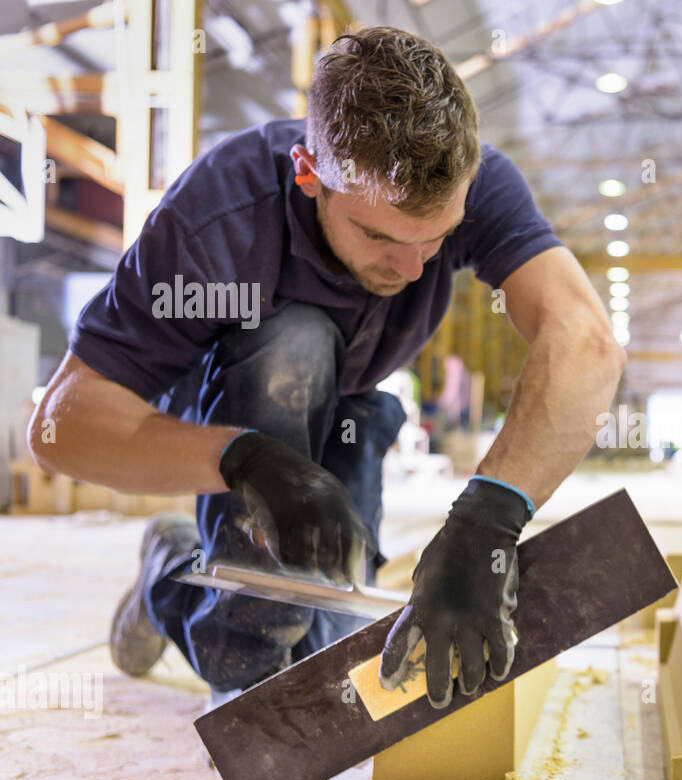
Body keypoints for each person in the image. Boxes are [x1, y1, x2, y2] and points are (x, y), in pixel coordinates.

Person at [27, 26, 623, 712]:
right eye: (379, 235)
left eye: (436, 237)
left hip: (350, 408)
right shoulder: (217, 216)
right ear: (309, 173)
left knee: (337, 670)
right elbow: (60, 426)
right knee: (255, 660)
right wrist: (243, 459)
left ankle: (176, 569)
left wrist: (489, 517)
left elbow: (587, 342)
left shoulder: (484, 185)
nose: (412, 267)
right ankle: (205, 608)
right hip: (239, 416)